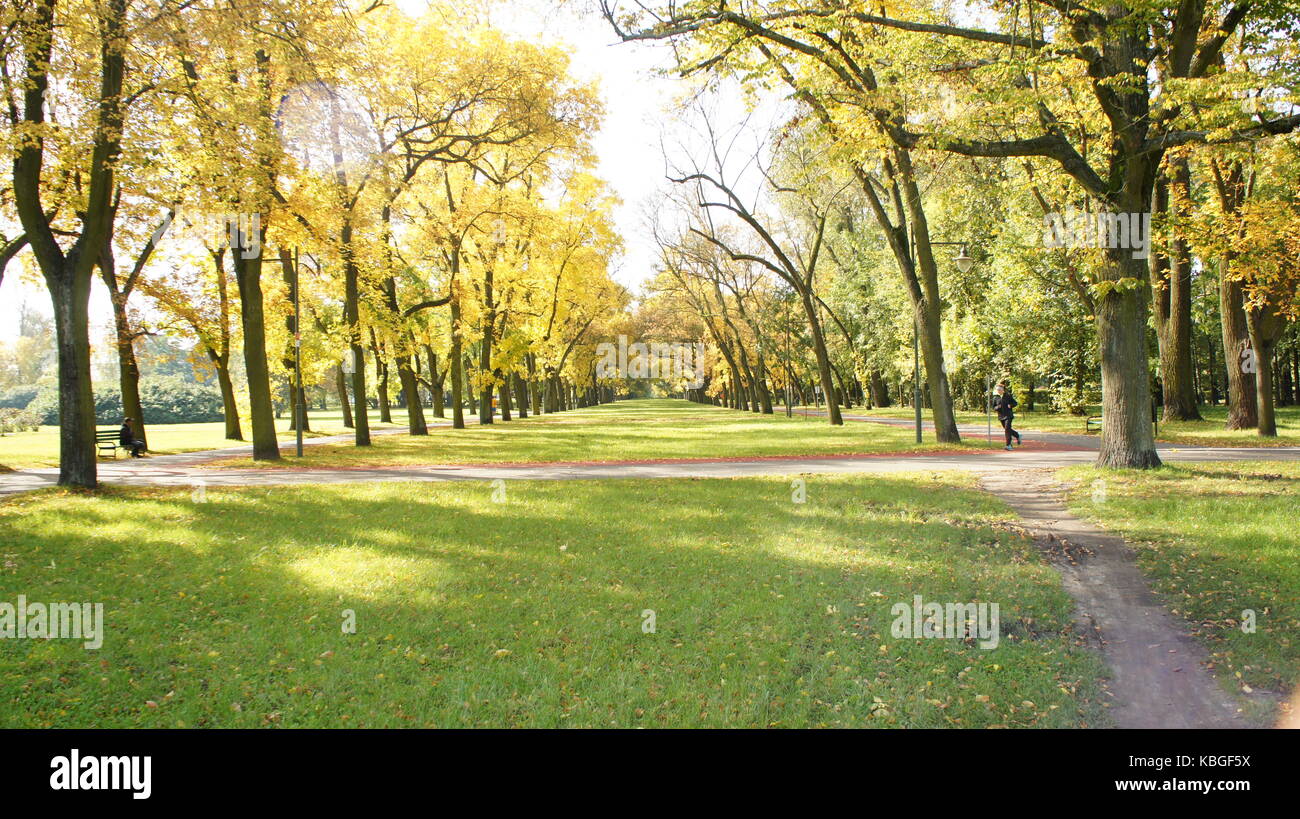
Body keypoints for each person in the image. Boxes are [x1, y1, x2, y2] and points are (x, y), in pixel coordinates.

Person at [993, 381, 1021, 451]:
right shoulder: (995, 398)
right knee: (1007, 429)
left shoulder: (1008, 396)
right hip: (1001, 416)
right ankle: (1017, 435)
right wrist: (998, 407)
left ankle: (1008, 445)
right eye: (997, 390)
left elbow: (1015, 403)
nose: (998, 391)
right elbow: (993, 407)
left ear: (1003, 390)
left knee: (1007, 430)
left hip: (1008, 415)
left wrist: (1010, 405)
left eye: (1000, 390)